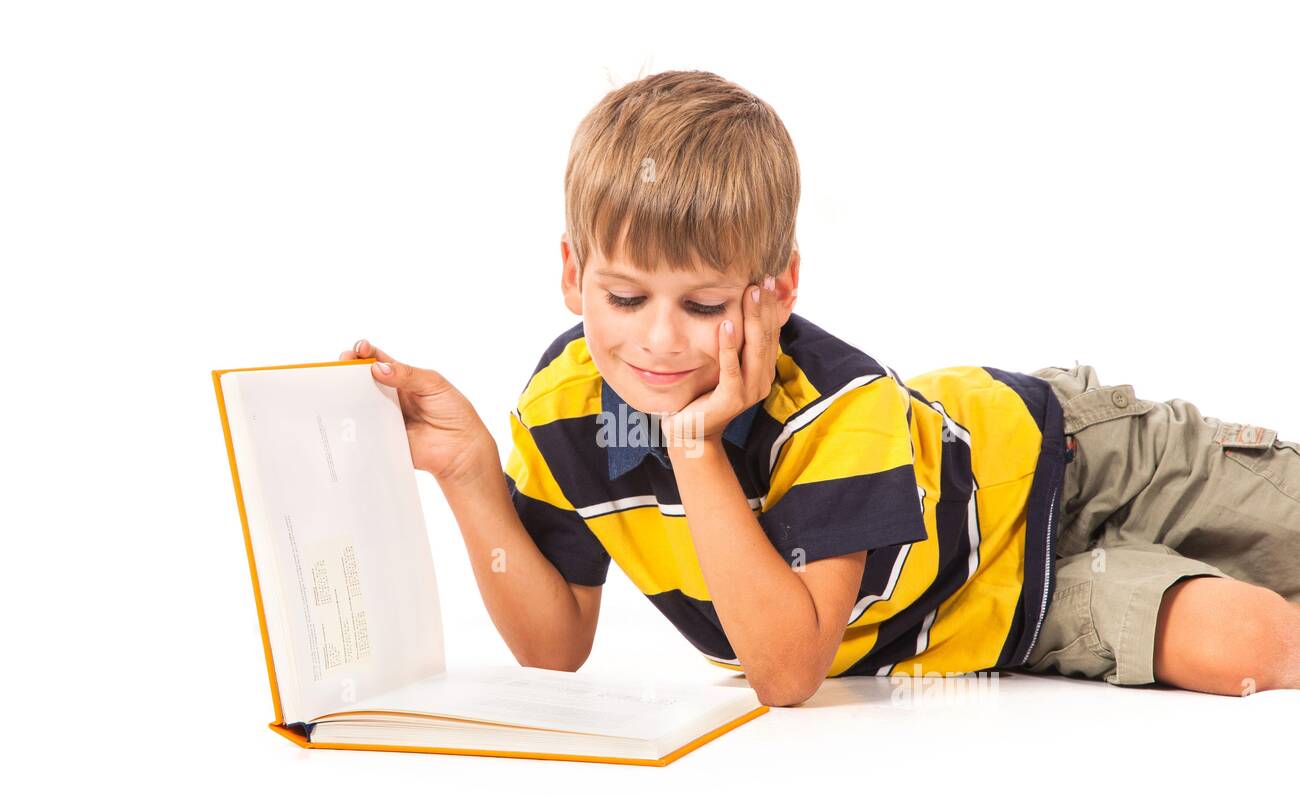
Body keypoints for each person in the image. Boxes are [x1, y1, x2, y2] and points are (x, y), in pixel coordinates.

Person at [337, 70, 1300, 705]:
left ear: (778, 288)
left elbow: (783, 667)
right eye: (624, 296)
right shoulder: (564, 407)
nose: (658, 340)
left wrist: (693, 447)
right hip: (990, 610)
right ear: (570, 273)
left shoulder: (838, 405)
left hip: (1076, 467)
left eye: (705, 303)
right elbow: (593, 652)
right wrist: (469, 476)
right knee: (1260, 649)